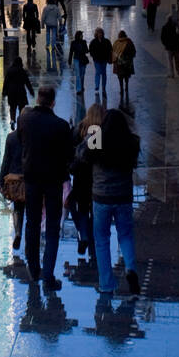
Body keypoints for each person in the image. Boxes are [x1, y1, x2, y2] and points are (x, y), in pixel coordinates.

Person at [18, 85, 74, 290]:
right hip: (53, 180)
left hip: (32, 179)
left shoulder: (25, 120)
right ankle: (48, 274)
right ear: (53, 102)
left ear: (38, 100)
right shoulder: (60, 126)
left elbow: (20, 141)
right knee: (51, 228)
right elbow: (69, 155)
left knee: (31, 223)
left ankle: (33, 268)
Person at [92, 107, 140, 295]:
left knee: (102, 240)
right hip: (123, 196)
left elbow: (82, 155)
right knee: (126, 235)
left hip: (101, 196)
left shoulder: (97, 139)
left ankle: (106, 283)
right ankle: (130, 268)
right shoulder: (132, 142)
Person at [69, 101, 105, 259]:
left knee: (81, 208)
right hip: (97, 178)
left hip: (80, 177)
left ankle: (83, 235)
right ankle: (92, 243)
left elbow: (71, 152)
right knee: (95, 211)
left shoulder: (80, 129)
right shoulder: (101, 132)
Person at [0, 123, 26, 253]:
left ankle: (18, 232)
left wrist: (1, 181)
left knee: (17, 208)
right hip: (30, 179)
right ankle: (30, 239)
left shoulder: (11, 137)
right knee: (32, 210)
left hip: (15, 179)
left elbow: (6, 160)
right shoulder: (32, 136)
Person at [2, 55, 34, 128]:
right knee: (21, 107)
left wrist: (4, 92)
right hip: (21, 92)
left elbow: (6, 82)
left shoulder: (9, 70)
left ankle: (12, 120)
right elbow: (27, 82)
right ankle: (20, 120)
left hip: (11, 92)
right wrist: (31, 91)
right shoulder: (22, 71)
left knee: (12, 107)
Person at [112, 30, 136, 105]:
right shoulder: (129, 42)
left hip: (119, 64)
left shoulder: (116, 42)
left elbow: (113, 52)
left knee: (120, 77)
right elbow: (133, 51)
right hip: (127, 64)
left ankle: (121, 89)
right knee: (126, 76)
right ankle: (126, 87)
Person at [160, 9, 179, 77]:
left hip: (168, 47)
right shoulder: (176, 27)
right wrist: (178, 42)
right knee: (177, 60)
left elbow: (162, 38)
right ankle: (178, 70)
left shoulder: (164, 27)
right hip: (176, 47)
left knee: (170, 62)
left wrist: (165, 44)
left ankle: (172, 73)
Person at [67, 30, 90, 94]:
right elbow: (71, 52)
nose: (82, 36)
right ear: (78, 36)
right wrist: (69, 60)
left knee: (82, 75)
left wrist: (86, 50)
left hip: (83, 60)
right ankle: (78, 89)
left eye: (82, 35)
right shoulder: (73, 43)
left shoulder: (84, 42)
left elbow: (87, 50)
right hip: (76, 59)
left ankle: (81, 86)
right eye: (81, 35)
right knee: (78, 75)